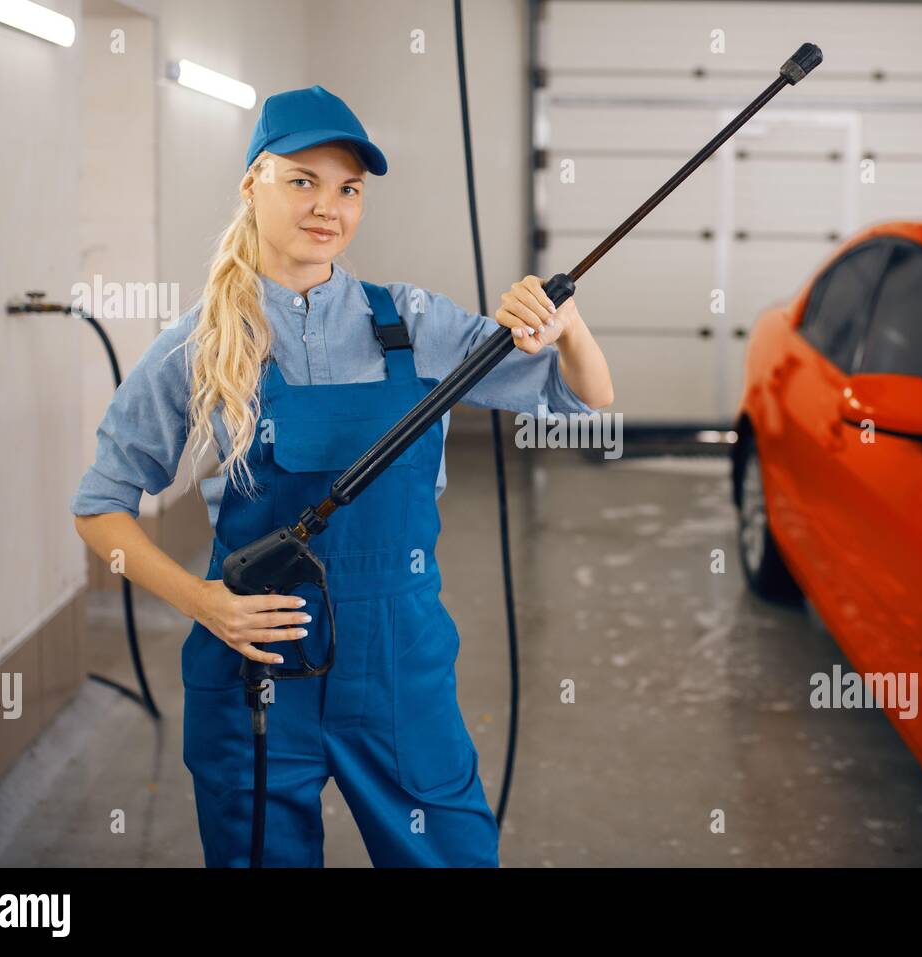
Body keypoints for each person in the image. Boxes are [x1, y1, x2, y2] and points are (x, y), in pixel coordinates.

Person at [71, 85, 613, 867]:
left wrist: (568, 325)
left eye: (349, 189)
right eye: (303, 181)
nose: (329, 206)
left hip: (397, 668)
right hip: (256, 667)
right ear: (251, 184)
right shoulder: (199, 345)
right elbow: (100, 509)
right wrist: (205, 604)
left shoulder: (412, 324)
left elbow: (586, 397)